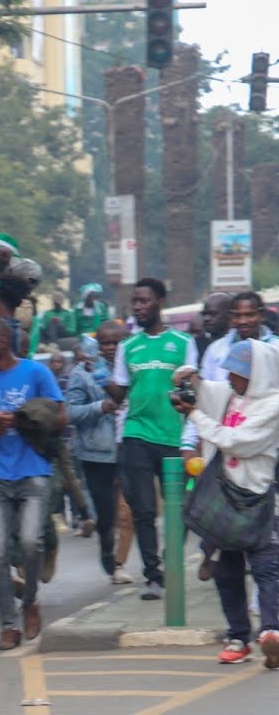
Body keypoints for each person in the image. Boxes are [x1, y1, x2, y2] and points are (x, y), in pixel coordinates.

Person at [171, 340, 279, 667]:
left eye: (238, 373)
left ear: (258, 375)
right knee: (226, 572)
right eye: (230, 372)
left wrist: (194, 416)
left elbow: (236, 442)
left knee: (267, 569)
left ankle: (271, 633)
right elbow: (202, 388)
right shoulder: (231, 394)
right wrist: (187, 378)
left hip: (258, 500)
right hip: (222, 498)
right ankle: (238, 637)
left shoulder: (273, 406)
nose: (231, 378)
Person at [0, 318, 64, 650]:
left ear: (4, 341)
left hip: (33, 469)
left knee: (30, 542)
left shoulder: (36, 373)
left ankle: (30, 600)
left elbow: (60, 417)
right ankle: (8, 625)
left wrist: (22, 420)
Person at [105, 277, 198, 601]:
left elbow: (194, 391)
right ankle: (153, 576)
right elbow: (120, 391)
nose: (138, 307)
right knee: (143, 510)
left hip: (174, 436)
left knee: (180, 508)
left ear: (160, 302)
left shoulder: (183, 342)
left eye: (144, 301)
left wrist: (192, 440)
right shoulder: (128, 346)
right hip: (136, 435)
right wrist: (104, 381)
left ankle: (172, 558)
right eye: (135, 301)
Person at [66, 324, 131, 584]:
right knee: (105, 514)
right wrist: (100, 407)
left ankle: (125, 563)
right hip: (96, 454)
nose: (111, 348)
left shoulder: (133, 368)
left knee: (131, 510)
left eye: (116, 342)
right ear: (98, 345)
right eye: (106, 343)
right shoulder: (82, 373)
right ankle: (106, 543)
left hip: (131, 447)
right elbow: (70, 412)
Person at [196, 292, 233, 362]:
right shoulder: (197, 344)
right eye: (204, 314)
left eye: (213, 314)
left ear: (229, 315)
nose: (206, 318)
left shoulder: (239, 342)